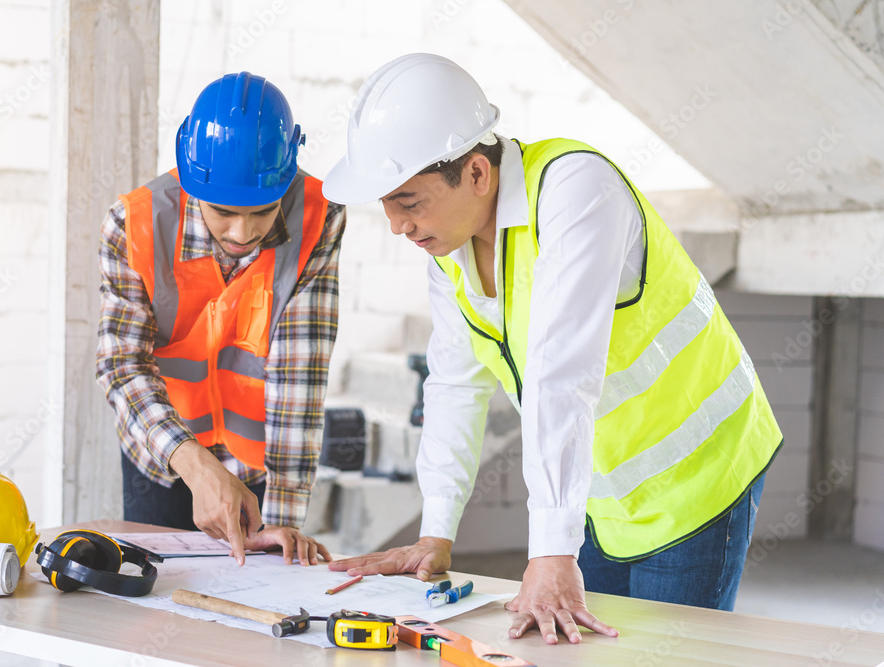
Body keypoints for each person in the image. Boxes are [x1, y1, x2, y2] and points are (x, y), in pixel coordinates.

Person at [322, 54, 781, 644]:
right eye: (386, 206)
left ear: (478, 175)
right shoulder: (450, 249)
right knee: (588, 655)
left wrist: (551, 551)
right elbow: (455, 386)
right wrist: (436, 532)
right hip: (601, 492)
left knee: (664, 658)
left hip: (698, 476)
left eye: (409, 202)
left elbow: (561, 373)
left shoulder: (575, 189)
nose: (397, 227)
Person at [96, 72, 345, 566]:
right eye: (224, 212)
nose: (242, 232)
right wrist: (196, 465)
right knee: (157, 611)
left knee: (253, 613)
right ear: (192, 182)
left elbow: (301, 373)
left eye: (262, 212)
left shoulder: (320, 216)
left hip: (260, 463)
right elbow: (121, 366)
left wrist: (284, 518)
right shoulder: (134, 223)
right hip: (165, 455)